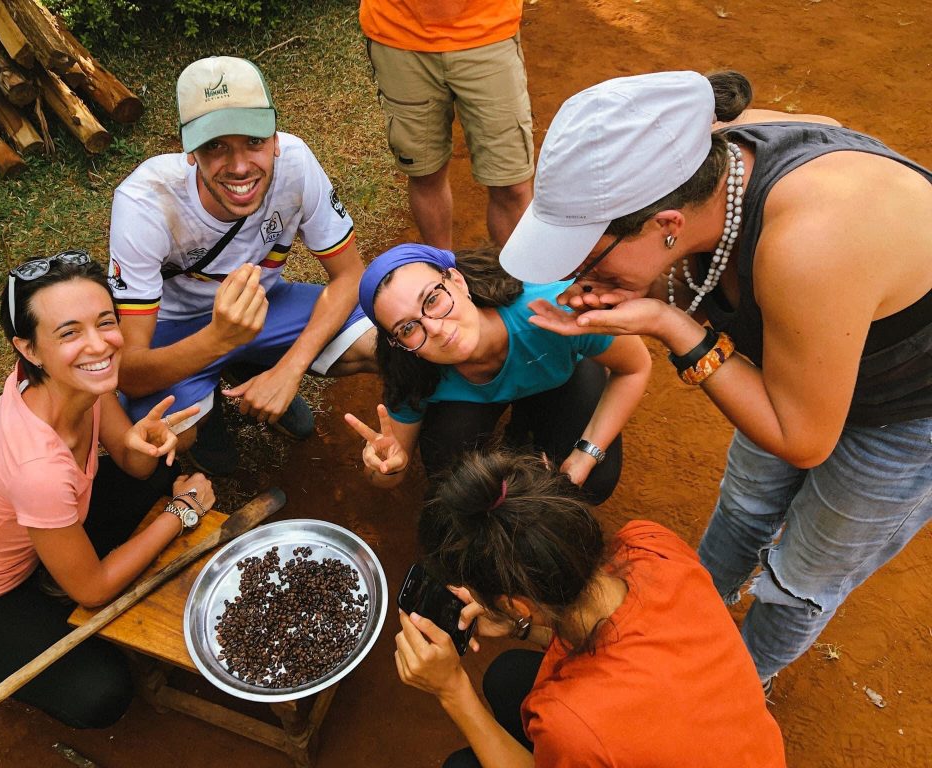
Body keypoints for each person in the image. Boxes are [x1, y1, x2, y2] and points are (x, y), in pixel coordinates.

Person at [498, 70, 932, 692]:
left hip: (909, 403)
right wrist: (645, 285)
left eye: (586, 257)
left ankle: (737, 685)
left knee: (804, 574)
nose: (573, 274)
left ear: (666, 222)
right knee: (745, 504)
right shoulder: (702, 147)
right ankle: (693, 626)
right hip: (798, 349)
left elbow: (804, 437)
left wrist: (670, 323)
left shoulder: (807, 245)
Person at [0, 253, 215, 728]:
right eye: (69, 332)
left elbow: (132, 464)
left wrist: (143, 443)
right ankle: (50, 590)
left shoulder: (74, 383)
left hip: (40, 533)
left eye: (105, 322)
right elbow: (92, 590)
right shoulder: (37, 468)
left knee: (158, 472)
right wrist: (182, 512)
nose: (98, 345)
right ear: (29, 349)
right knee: (101, 691)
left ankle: (56, 577)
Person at [395, 450, 786, 767]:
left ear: (517, 602)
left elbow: (585, 726)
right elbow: (608, 633)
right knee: (507, 677)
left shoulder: (575, 724)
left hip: (597, 730)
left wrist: (451, 689)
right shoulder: (648, 545)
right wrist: (520, 625)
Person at [107, 55, 376, 475]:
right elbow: (128, 371)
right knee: (163, 443)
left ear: (275, 138)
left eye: (254, 141)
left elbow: (350, 276)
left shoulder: (296, 164)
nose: (239, 166)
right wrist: (218, 339)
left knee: (384, 342)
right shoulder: (145, 204)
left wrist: (289, 371)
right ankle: (214, 388)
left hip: (263, 306)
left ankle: (254, 362)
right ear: (190, 151)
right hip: (175, 329)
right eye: (215, 146)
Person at [344, 243, 650, 503]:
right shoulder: (412, 370)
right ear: (397, 343)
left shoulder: (551, 308)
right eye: (408, 328)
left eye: (433, 299)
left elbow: (635, 367)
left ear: (457, 281)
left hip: (560, 379)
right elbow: (387, 473)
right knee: (453, 483)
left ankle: (526, 431)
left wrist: (585, 456)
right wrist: (386, 466)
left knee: (594, 483)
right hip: (472, 406)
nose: (434, 328)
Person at [359, 0, 533, 248]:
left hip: (489, 31)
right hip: (399, 34)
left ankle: (517, 282)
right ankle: (444, 275)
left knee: (511, 182)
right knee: (425, 172)